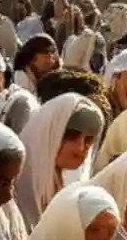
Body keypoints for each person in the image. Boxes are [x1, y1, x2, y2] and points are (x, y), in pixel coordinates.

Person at [15, 92, 105, 227]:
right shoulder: (21, 181)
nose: (81, 147)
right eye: (71, 136)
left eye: (88, 139)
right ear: (50, 132)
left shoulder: (69, 186)